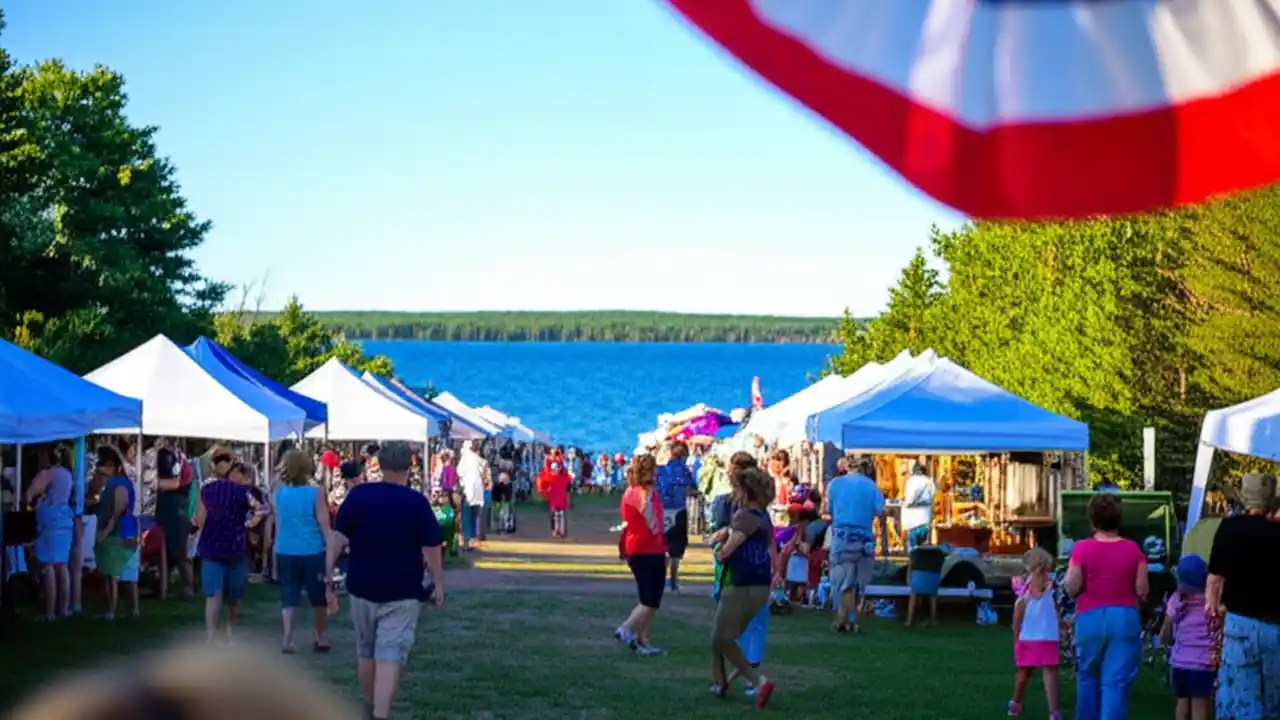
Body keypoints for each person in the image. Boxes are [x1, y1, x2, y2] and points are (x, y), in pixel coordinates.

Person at [326, 441, 444, 720]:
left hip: (362, 585)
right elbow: (432, 547)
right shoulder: (416, 503)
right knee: (390, 653)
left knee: (366, 650)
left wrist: (327, 574)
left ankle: (372, 704)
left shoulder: (359, 496)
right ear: (410, 465)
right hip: (403, 589)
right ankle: (380, 712)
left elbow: (337, 539)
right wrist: (438, 583)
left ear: (379, 464)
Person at [1064, 492, 1148, 720]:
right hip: (1124, 618)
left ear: (1092, 520)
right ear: (1118, 519)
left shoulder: (1081, 549)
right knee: (1116, 684)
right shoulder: (1134, 550)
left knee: (1087, 678)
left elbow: (1072, 586)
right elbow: (1142, 589)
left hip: (1089, 618)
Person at [1206, 472, 1280, 720]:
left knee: (1241, 698)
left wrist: (1212, 608)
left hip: (1239, 622)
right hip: (1274, 624)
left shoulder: (1229, 528)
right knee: (1274, 702)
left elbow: (1215, 578)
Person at [707, 467, 777, 708]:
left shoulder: (744, 516)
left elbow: (727, 552)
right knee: (721, 636)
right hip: (759, 584)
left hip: (740, 584)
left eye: (736, 488)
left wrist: (718, 546)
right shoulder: (764, 517)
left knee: (722, 638)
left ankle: (758, 680)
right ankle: (720, 682)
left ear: (746, 491)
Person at [273, 449, 333, 654]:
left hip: (285, 548)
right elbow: (324, 523)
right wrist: (331, 547)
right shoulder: (315, 492)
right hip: (311, 549)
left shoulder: (279, 493)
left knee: (288, 594)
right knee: (318, 595)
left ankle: (287, 637)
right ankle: (320, 635)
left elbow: (279, 523)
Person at [194, 453, 254, 642]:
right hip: (236, 546)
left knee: (213, 594)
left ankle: (211, 634)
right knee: (234, 596)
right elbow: (259, 510)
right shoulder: (244, 493)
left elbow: (199, 519)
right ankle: (229, 630)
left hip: (211, 546)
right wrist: (249, 526)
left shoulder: (206, 490)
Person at [823, 456, 884, 633]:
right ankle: (848, 619)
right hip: (864, 537)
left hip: (842, 536)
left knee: (844, 580)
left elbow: (831, 510)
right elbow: (879, 510)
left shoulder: (835, 484)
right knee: (855, 582)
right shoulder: (872, 486)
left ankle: (844, 619)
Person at [615, 453, 667, 656]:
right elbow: (647, 512)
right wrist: (656, 528)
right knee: (649, 598)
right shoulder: (643, 492)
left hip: (645, 547)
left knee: (653, 597)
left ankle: (642, 637)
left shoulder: (633, 491)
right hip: (645, 548)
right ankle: (626, 628)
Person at [1009, 547, 1062, 719]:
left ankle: (1016, 703)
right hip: (1047, 635)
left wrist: (1016, 634)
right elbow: (1057, 611)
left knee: (1024, 673)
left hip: (1030, 637)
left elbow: (1017, 615)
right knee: (1049, 673)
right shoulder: (1052, 589)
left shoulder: (1026, 592)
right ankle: (1053, 712)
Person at [1161, 555, 1213, 720]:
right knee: (1200, 705)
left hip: (1180, 662)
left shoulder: (1176, 600)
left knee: (1182, 703)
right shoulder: (1211, 602)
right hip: (1204, 662)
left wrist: (1165, 640)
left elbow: (1165, 632)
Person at [26, 446, 75, 621]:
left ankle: (49, 611)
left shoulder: (49, 473)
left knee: (48, 566)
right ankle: (64, 607)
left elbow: (31, 492)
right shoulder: (68, 475)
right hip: (65, 518)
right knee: (62, 566)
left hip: (50, 519)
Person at [92, 446, 140, 620]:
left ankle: (112, 610)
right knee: (128, 574)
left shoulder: (118, 484)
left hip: (118, 534)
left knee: (113, 574)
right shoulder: (118, 482)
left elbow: (117, 512)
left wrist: (103, 534)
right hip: (126, 532)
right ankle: (132, 609)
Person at [153, 438, 195, 600]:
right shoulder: (167, 456)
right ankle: (165, 586)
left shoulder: (177, 460)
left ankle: (188, 587)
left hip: (177, 510)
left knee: (179, 551)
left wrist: (152, 482)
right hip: (165, 508)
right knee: (163, 551)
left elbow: (175, 483)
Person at [656, 440, 698, 593]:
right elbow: (692, 488)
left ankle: (660, 580)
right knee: (677, 549)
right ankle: (673, 582)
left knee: (664, 546)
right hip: (679, 510)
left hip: (662, 510)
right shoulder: (684, 471)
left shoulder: (661, 470)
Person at [905, 543, 946, 628]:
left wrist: (908, 580)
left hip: (917, 579)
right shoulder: (938, 553)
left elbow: (910, 567)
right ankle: (933, 620)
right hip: (933, 579)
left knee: (913, 597)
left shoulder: (915, 552)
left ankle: (909, 621)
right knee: (933, 598)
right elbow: (942, 567)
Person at [902, 461, 936, 552]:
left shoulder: (910, 481)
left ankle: (913, 562)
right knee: (923, 545)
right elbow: (933, 495)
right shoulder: (929, 481)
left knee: (912, 547)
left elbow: (909, 499)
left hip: (912, 519)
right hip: (924, 517)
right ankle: (922, 562)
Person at [457, 442, 486, 550]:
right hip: (478, 492)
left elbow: (459, 472)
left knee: (467, 515)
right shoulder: (479, 460)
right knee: (474, 516)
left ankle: (468, 538)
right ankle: (472, 538)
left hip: (468, 491)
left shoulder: (465, 459)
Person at [537, 457, 572, 538]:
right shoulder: (549, 477)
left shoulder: (563, 478)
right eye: (554, 468)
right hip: (553, 500)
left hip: (560, 499)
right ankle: (556, 531)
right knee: (555, 515)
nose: (556, 469)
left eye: (557, 467)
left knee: (561, 515)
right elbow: (541, 484)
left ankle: (561, 531)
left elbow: (568, 487)